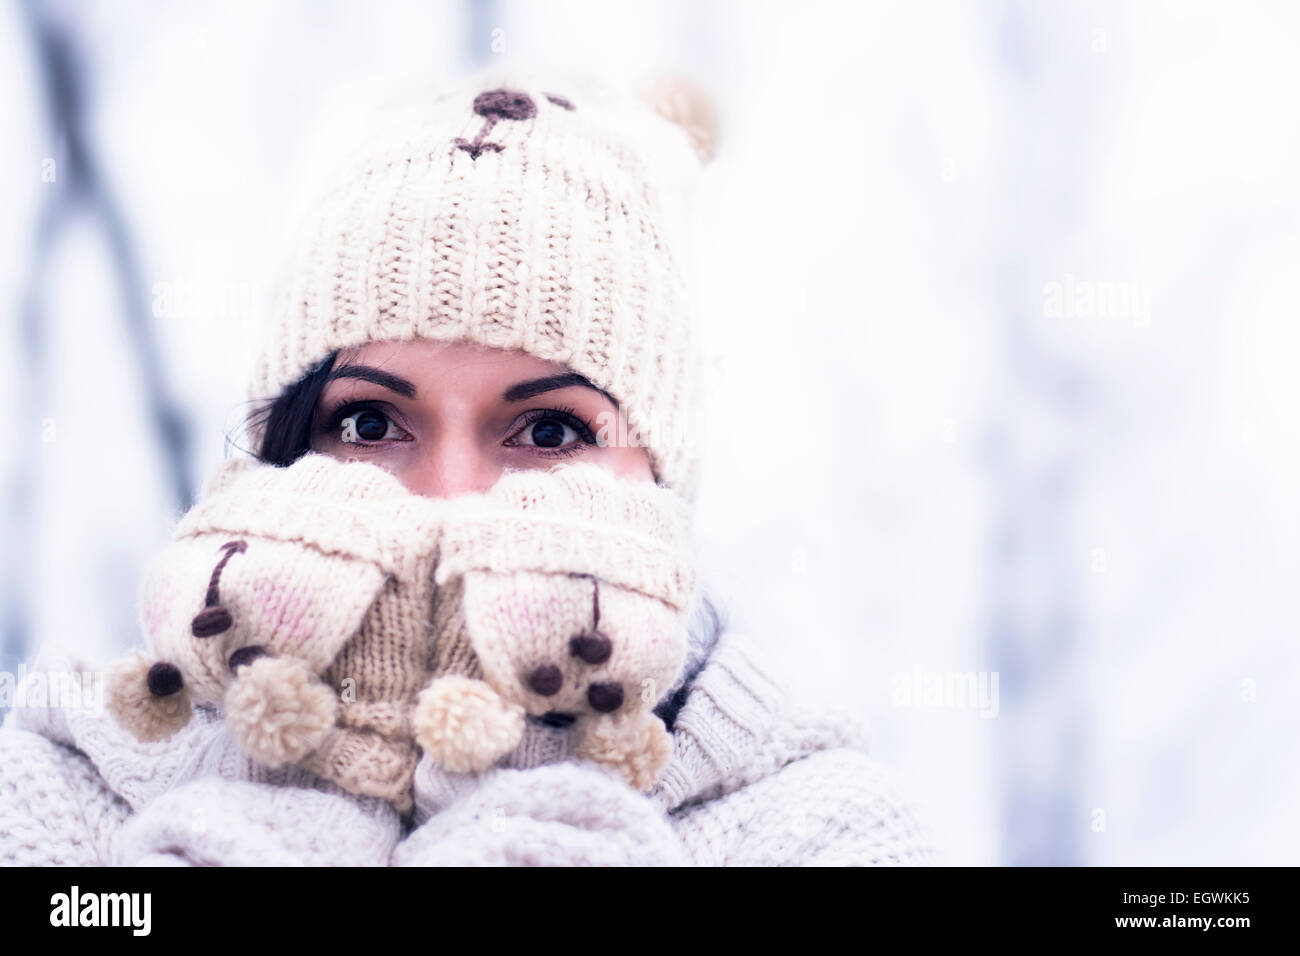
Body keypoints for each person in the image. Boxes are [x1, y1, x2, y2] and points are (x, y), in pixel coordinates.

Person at [0, 71, 937, 866]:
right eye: (370, 421)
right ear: (281, 452)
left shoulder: (816, 829)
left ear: (660, 475)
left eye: (549, 433)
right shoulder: (61, 789)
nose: (452, 497)